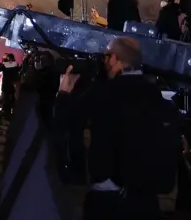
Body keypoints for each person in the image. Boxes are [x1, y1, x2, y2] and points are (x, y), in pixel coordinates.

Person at [54, 36, 173, 220]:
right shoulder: (155, 94)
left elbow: (66, 119)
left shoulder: (104, 93)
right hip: (146, 201)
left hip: (108, 201)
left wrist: (64, 94)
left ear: (116, 59)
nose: (104, 61)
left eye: (107, 56)